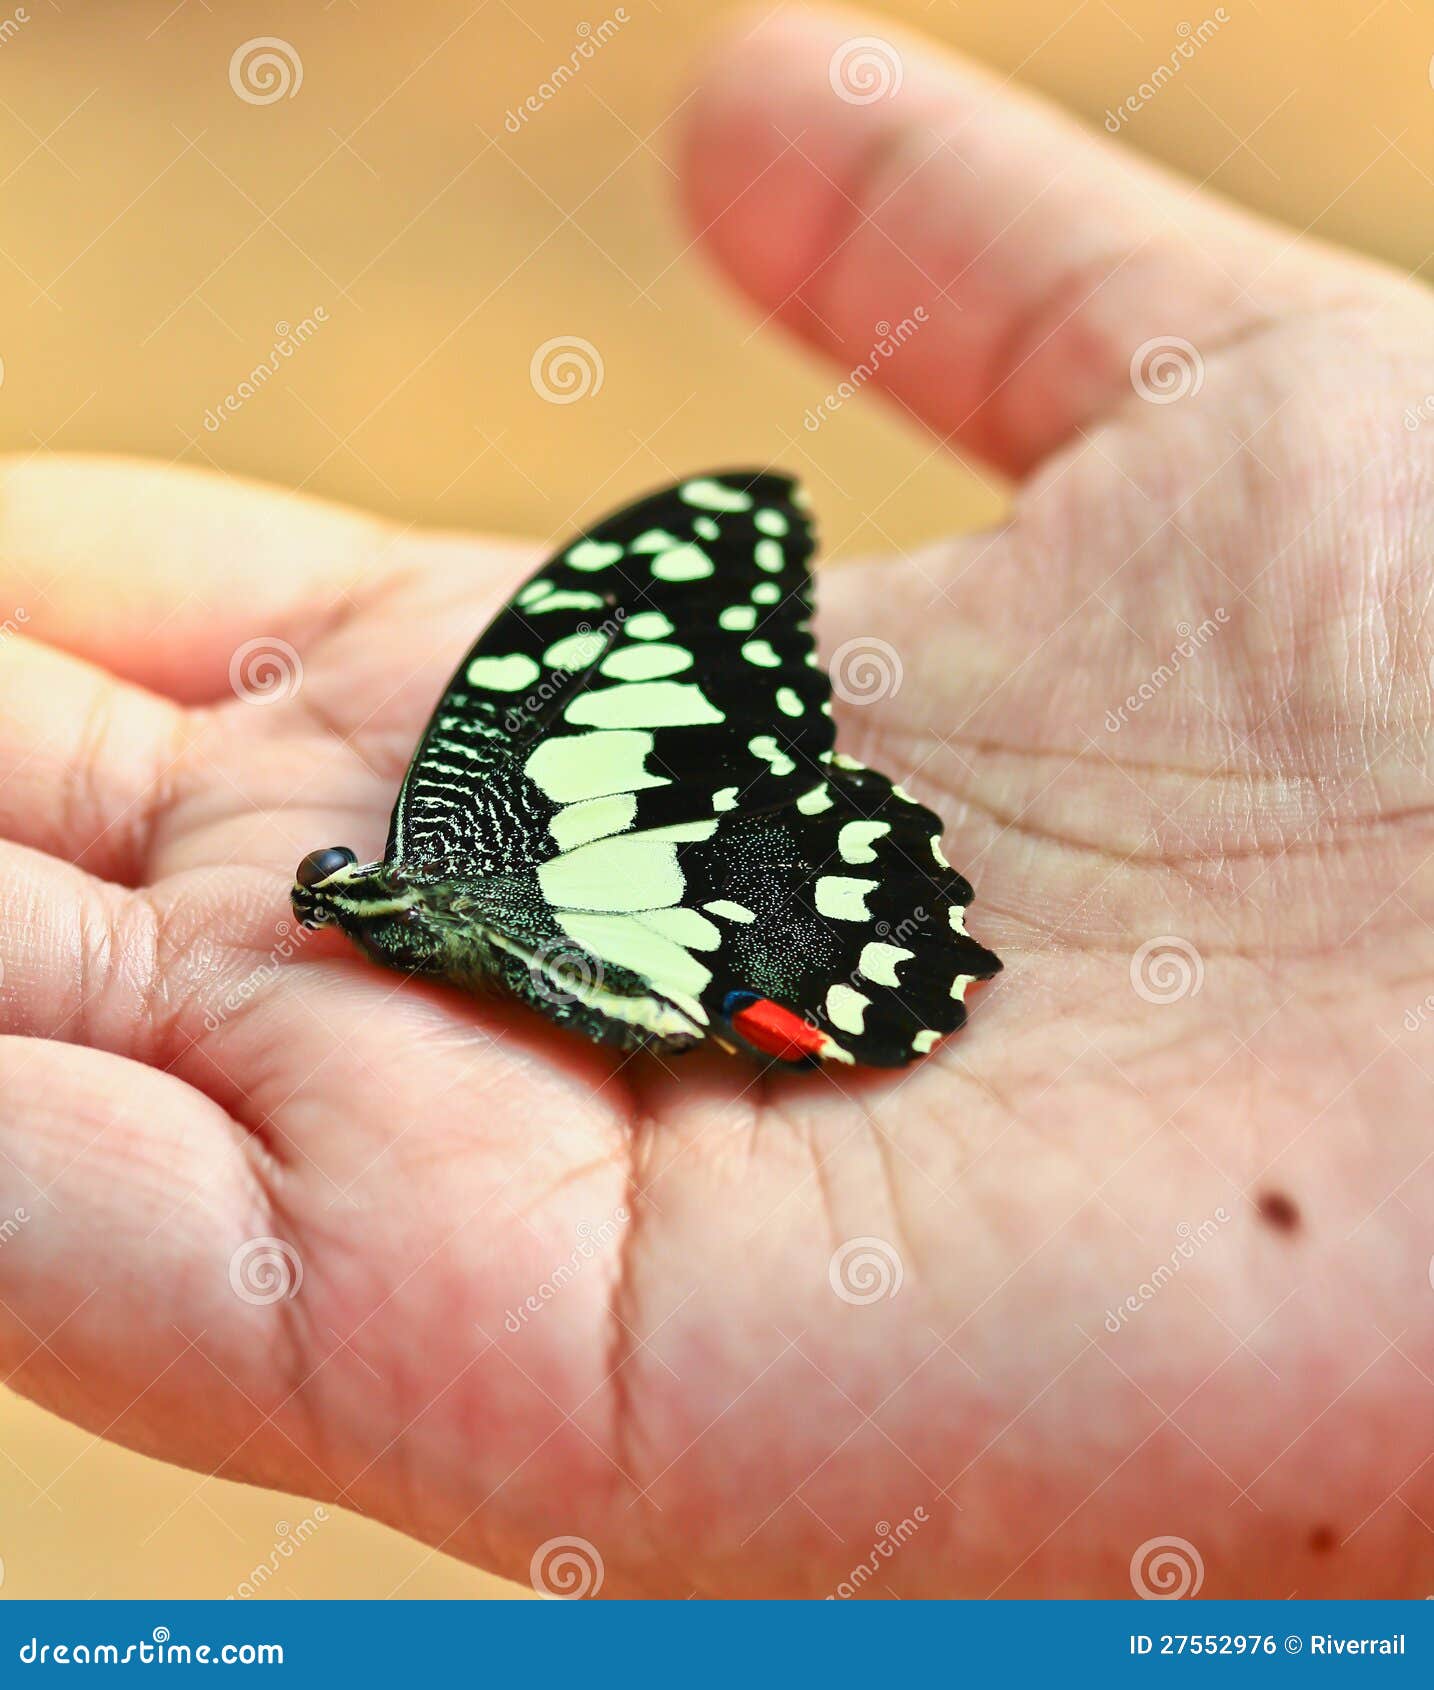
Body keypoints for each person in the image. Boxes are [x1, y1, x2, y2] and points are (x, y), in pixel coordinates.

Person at [0, 6, 1428, 1599]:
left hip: (732, 906)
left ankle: (793, 1002)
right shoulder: (443, 840)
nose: (337, 888)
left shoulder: (466, 804)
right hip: (683, 919)